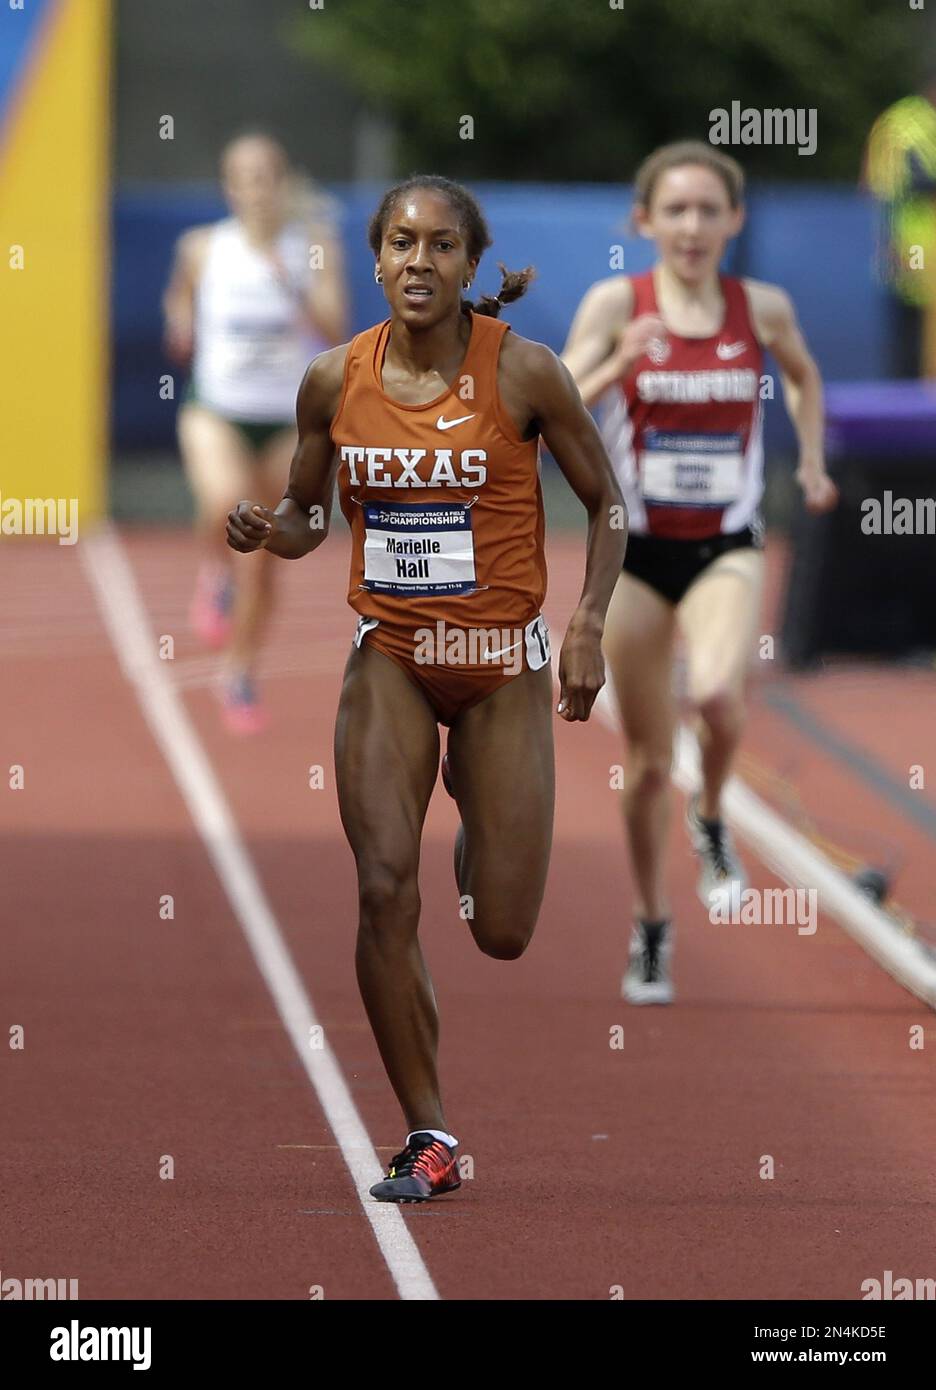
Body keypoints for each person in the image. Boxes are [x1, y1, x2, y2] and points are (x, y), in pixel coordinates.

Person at [227, 174, 625, 1200]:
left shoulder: (526, 373)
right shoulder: (333, 380)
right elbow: (310, 515)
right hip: (392, 660)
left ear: (468, 265)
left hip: (498, 671)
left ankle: (471, 811)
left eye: (441, 245)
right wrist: (274, 532)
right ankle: (429, 1132)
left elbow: (608, 506)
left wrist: (585, 622)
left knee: (501, 929)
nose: (418, 260)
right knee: (379, 886)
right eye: (401, 241)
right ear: (375, 258)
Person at [562, 141, 838, 1005]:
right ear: (645, 222)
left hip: (726, 544)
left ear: (733, 221)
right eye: (673, 210)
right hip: (635, 554)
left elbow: (802, 379)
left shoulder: (760, 308)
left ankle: (712, 814)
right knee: (646, 762)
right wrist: (620, 358)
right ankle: (651, 926)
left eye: (706, 210)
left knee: (719, 696)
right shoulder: (618, 300)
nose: (690, 226)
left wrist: (816, 461)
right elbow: (556, 398)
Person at [163, 131, 348, 732]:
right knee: (225, 505)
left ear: (282, 182)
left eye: (267, 175)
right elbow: (179, 299)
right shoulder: (201, 246)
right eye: (243, 177)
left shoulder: (311, 246)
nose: (256, 189)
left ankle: (238, 670)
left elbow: (334, 325)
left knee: (264, 549)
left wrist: (290, 284)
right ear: (229, 187)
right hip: (216, 407)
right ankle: (213, 573)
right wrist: (181, 321)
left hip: (285, 419)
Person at [863, 72, 936, 379]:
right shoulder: (902, 122)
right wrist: (890, 246)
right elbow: (885, 187)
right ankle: (911, 414)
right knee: (911, 336)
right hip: (911, 245)